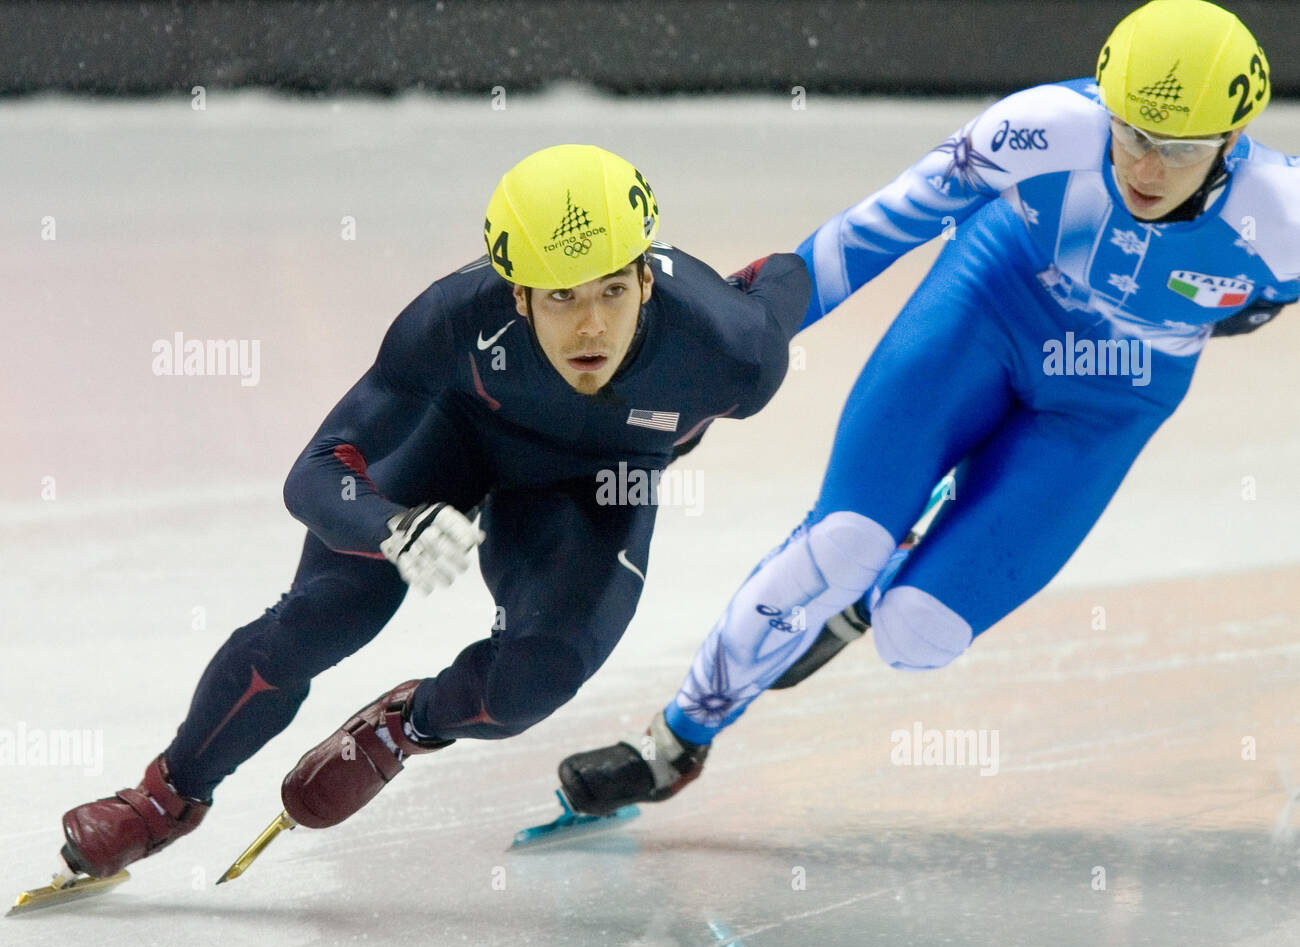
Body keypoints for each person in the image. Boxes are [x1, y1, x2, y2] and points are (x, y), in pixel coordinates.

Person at [557, 0, 1300, 816]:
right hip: (993, 302)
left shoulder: (1284, 218)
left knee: (919, 636)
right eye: (1130, 132)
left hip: (1116, 391)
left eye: (1179, 149)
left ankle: (872, 598)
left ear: (1234, 139)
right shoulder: (1042, 129)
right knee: (843, 541)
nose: (1145, 169)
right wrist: (728, 355)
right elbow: (869, 233)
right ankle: (672, 743)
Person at [56, 144, 811, 877]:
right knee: (324, 615)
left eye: (613, 289)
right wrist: (394, 524)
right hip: (454, 439)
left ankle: (407, 724)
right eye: (560, 296)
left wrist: (707, 348)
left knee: (533, 683)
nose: (591, 327)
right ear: (514, 292)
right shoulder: (452, 319)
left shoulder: (733, 350)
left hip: (595, 479)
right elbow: (315, 472)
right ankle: (163, 798)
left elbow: (786, 275)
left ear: (647, 279)